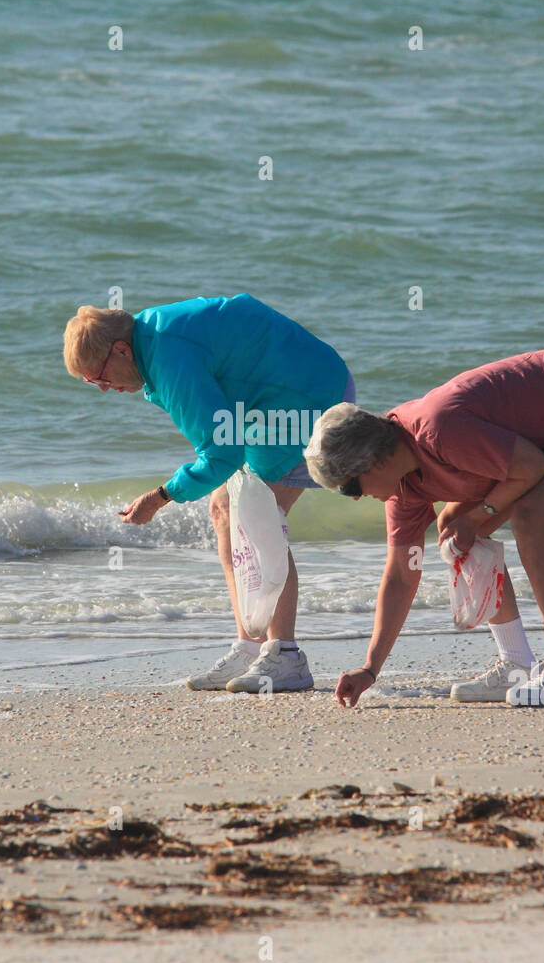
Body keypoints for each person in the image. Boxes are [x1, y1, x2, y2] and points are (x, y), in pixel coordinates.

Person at [303, 346, 544, 707]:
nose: (355, 498)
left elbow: (532, 468)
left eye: (349, 487)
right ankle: (516, 664)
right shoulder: (402, 489)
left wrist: (477, 515)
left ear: (373, 461)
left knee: (529, 520)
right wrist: (370, 669)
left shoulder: (438, 431)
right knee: (455, 530)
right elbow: (401, 575)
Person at [63, 293, 354, 692]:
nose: (102, 388)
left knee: (254, 514)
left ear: (120, 350)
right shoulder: (152, 343)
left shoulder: (167, 358)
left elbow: (222, 452)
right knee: (222, 508)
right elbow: (221, 440)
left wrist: (161, 496)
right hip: (272, 396)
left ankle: (286, 656)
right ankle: (250, 649)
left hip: (306, 395)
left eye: (99, 376)